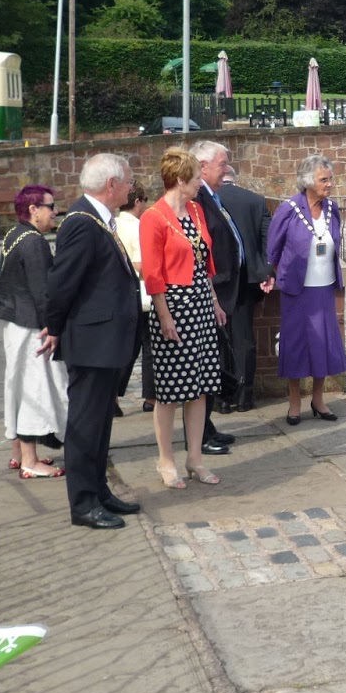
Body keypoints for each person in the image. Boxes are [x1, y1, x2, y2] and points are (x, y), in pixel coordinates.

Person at [38, 153, 144, 530]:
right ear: (112, 185)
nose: (132, 187)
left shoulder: (100, 217)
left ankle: (99, 491)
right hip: (92, 340)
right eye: (128, 181)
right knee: (84, 425)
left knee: (100, 423)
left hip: (106, 338)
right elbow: (61, 283)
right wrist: (53, 327)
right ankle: (83, 503)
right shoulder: (83, 222)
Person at [140, 146, 226, 490]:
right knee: (171, 390)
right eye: (194, 179)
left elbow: (204, 260)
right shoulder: (153, 217)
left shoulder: (194, 210)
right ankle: (166, 460)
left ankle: (195, 459)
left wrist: (215, 301)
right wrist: (164, 315)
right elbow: (153, 273)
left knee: (201, 386)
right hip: (173, 306)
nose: (199, 184)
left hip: (201, 305)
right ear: (179, 180)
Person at [0, 185, 66, 479]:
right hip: (30, 324)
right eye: (50, 205)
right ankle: (30, 462)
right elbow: (42, 289)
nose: (55, 211)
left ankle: (19, 453)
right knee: (33, 387)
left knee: (17, 384)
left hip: (16, 321)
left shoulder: (13, 233)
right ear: (33, 209)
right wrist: (52, 325)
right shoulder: (34, 242)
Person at [267, 154, 346, 424]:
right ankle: (293, 403)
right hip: (297, 292)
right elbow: (273, 250)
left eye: (331, 178)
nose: (330, 184)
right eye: (324, 179)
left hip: (324, 289)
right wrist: (280, 277)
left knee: (323, 344)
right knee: (296, 346)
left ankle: (318, 399)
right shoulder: (289, 209)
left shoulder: (332, 209)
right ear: (307, 181)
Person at [195, 141, 275, 415]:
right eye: (222, 163)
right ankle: (243, 394)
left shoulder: (216, 198)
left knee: (223, 340)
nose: (225, 168)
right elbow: (269, 239)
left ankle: (223, 398)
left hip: (228, 280)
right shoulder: (206, 199)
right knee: (239, 340)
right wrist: (266, 270)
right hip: (232, 281)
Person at [114, 182, 152, 414]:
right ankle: (151, 398)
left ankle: (112, 396)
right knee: (148, 347)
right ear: (137, 201)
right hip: (142, 295)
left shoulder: (112, 223)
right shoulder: (138, 227)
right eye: (145, 200)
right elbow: (140, 264)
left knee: (123, 348)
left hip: (118, 296)